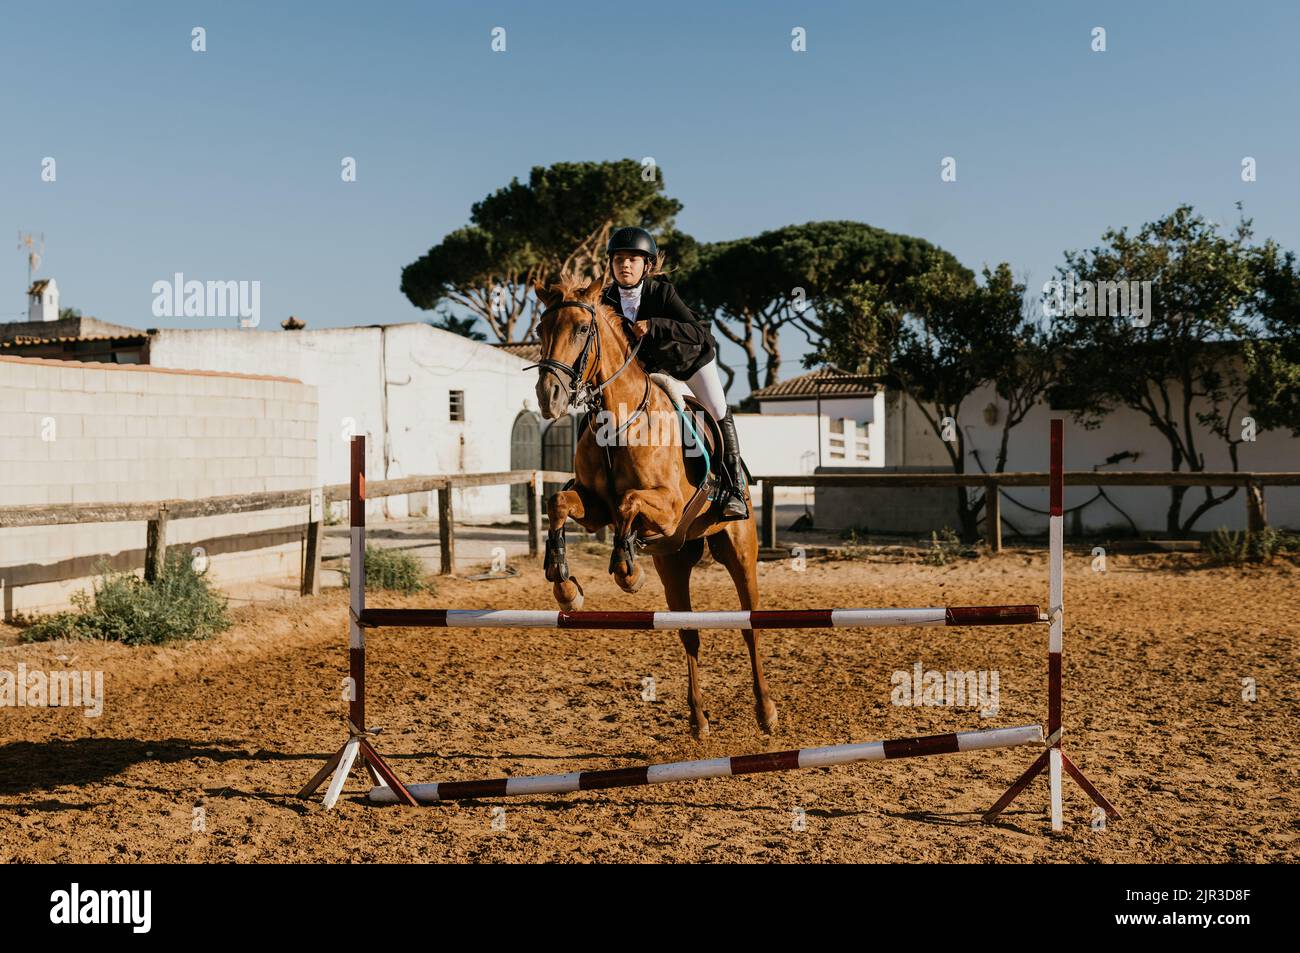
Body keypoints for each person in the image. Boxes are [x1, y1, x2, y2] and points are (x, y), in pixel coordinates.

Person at [601, 226, 749, 521]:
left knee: (717, 409)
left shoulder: (662, 293)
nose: (625, 265)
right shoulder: (605, 299)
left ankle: (734, 488)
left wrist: (655, 324)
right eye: (619, 259)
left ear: (648, 265)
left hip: (689, 362)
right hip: (646, 371)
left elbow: (701, 333)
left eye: (633, 259)